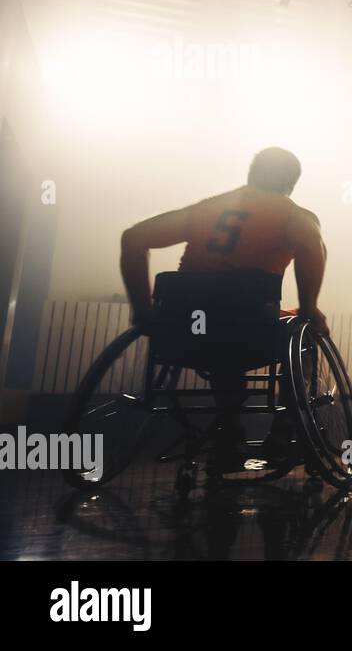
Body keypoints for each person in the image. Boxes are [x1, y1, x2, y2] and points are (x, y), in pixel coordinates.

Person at [118, 147, 328, 467]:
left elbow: (133, 238)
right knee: (304, 334)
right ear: (291, 183)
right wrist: (309, 306)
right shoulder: (294, 215)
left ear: (251, 174)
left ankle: (229, 430)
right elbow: (312, 245)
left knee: (220, 333)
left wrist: (143, 309)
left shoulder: (210, 208)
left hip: (186, 331)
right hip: (247, 332)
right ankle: (286, 428)